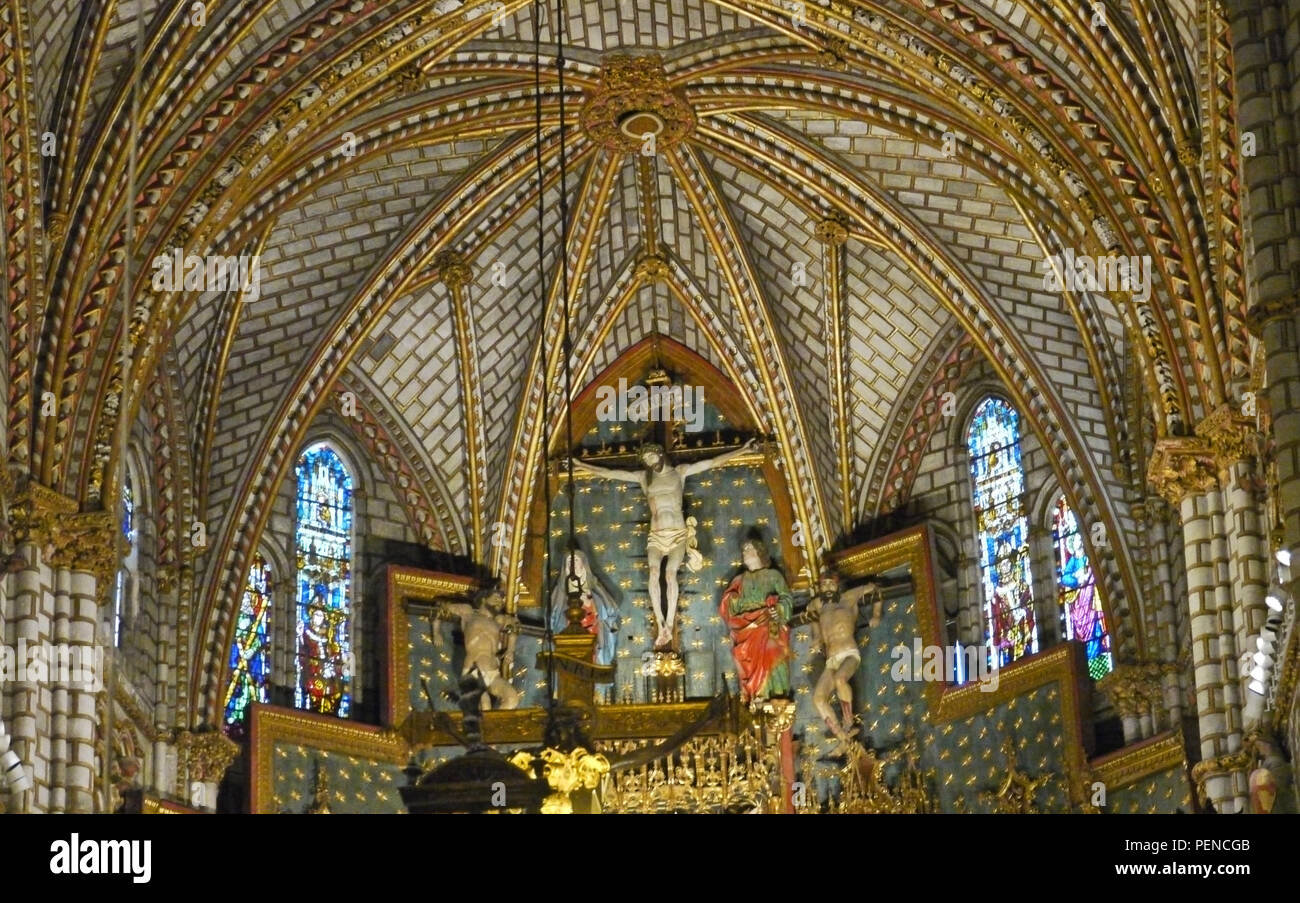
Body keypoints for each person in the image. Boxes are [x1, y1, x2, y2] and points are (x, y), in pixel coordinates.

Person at [571, 438, 757, 650]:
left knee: (670, 574)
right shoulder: (644, 478)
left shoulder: (680, 472)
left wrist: (742, 450)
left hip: (677, 534)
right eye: (646, 460)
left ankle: (669, 622)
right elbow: (609, 473)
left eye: (651, 457)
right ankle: (661, 624)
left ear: (659, 454)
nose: (650, 462)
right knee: (653, 571)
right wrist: (581, 465)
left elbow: (713, 462)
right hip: (656, 535)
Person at [809, 569, 881, 746]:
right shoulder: (818, 604)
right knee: (818, 698)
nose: (827, 587)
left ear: (837, 585)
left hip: (848, 652)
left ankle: (848, 722)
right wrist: (817, 636)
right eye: (823, 584)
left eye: (830, 584)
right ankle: (841, 736)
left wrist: (876, 615)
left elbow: (875, 590)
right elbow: (811, 615)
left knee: (841, 679)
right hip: (831, 659)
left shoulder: (849, 597)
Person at [719, 537, 793, 702]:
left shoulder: (773, 575)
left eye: (749, 549)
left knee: (773, 654)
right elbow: (727, 605)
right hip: (746, 629)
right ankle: (755, 696)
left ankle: (776, 694)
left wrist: (778, 609)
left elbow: (787, 598)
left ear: (759, 552)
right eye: (743, 550)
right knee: (744, 658)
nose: (745, 553)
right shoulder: (739, 580)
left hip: (769, 624)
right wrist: (733, 599)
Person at [435, 585, 521, 710]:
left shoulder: (499, 620)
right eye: (496, 598)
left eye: (501, 600)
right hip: (473, 669)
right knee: (485, 705)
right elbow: (441, 607)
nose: (499, 602)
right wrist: (436, 632)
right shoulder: (469, 613)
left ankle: (494, 728)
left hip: (493, 672)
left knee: (512, 698)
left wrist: (510, 650)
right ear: (484, 599)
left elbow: (515, 626)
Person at [549, 546, 621, 666]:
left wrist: (591, 602)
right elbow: (552, 617)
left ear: (583, 564)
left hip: (594, 636)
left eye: (576, 560)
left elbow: (611, 611)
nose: (572, 564)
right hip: (569, 638)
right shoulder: (560, 590)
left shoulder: (594, 586)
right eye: (569, 561)